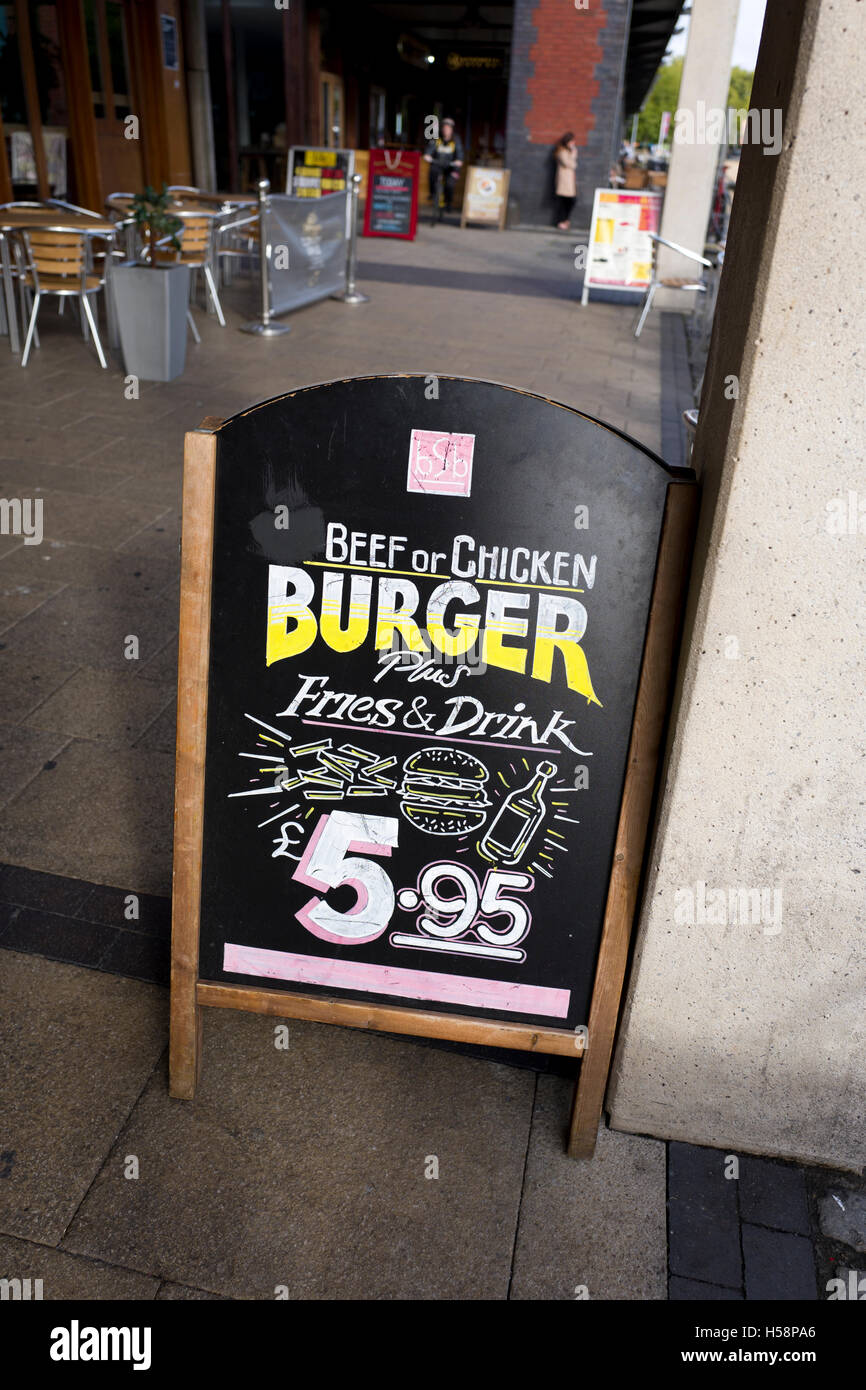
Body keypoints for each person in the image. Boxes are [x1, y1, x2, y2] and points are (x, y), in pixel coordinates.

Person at [424, 117, 464, 223]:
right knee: (432, 171)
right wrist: (428, 155)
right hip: (438, 164)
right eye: (444, 128)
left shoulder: (456, 140)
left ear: (451, 130)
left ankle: (448, 202)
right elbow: (430, 150)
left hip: (451, 167)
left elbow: (459, 154)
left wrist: (459, 160)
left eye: (448, 128)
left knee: (450, 184)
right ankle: (432, 193)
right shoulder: (437, 139)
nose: (446, 130)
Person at [553, 132, 578, 230]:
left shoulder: (567, 152)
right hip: (564, 181)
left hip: (569, 181)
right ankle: (562, 222)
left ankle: (565, 221)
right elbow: (571, 165)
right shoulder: (562, 152)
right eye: (572, 141)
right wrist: (574, 153)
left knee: (569, 201)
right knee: (565, 201)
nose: (573, 143)